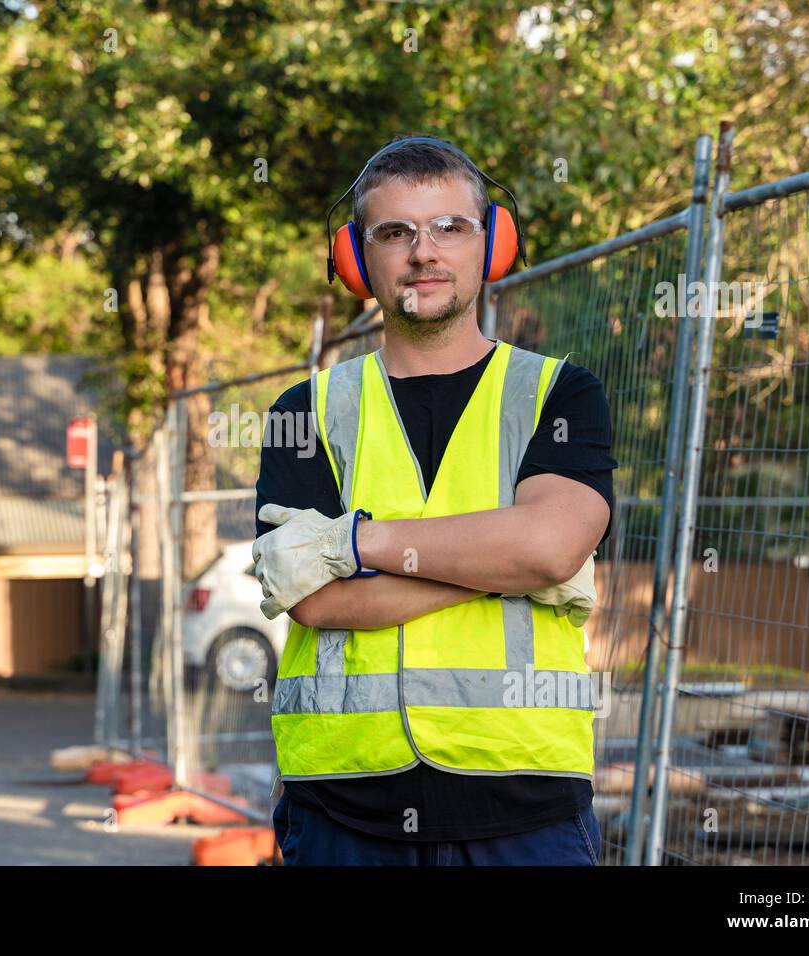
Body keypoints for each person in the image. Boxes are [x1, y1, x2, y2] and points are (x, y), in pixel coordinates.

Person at [252, 135, 617, 866]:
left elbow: (549, 546)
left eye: (450, 226)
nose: (425, 252)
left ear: (493, 245)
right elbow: (312, 601)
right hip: (340, 809)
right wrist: (506, 566)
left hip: (527, 808)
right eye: (396, 232)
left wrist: (354, 544)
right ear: (357, 257)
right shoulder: (307, 410)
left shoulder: (560, 393)